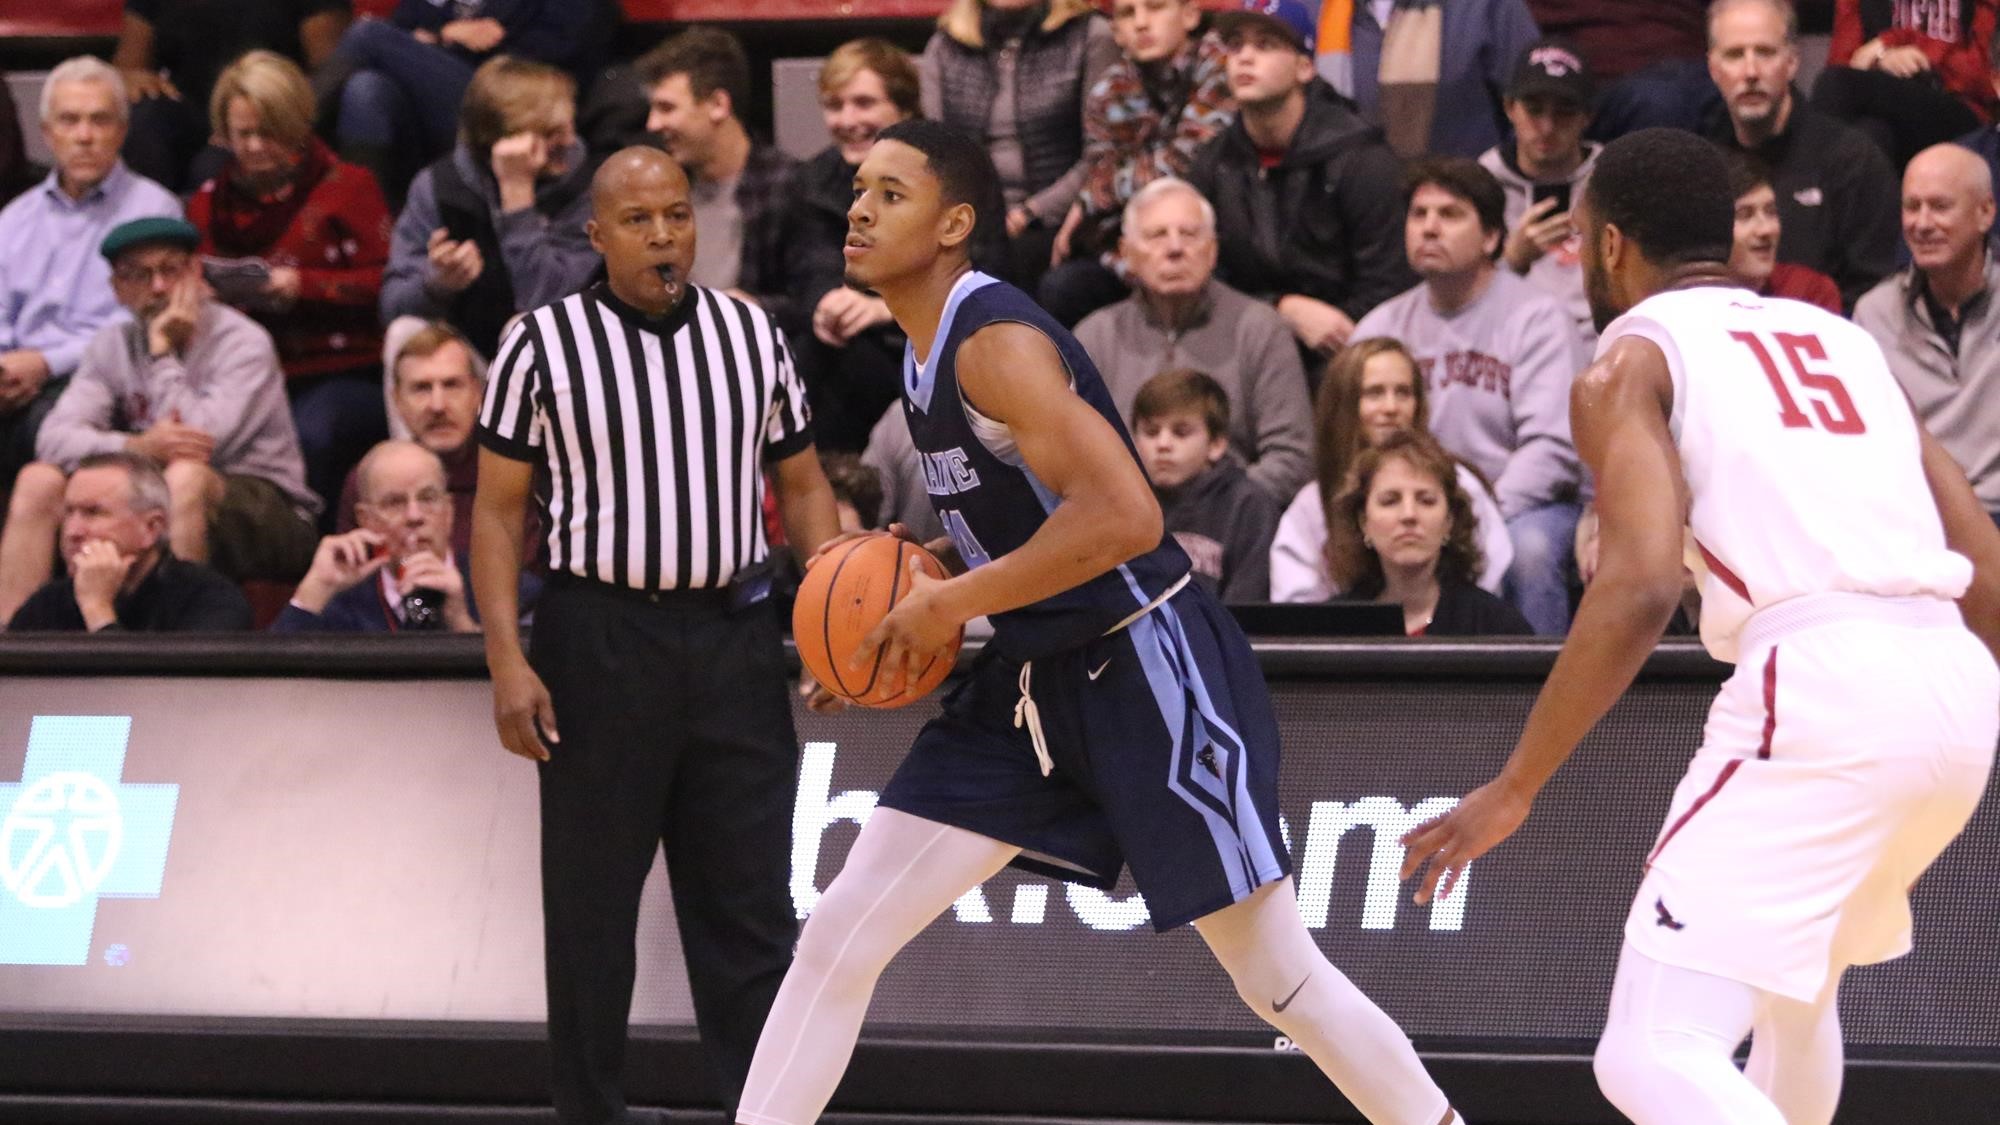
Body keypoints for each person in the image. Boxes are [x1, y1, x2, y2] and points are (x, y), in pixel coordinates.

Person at [733, 116, 1466, 1125]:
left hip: (1146, 663)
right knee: (838, 934)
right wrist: (895, 601)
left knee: (1277, 980)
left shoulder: (994, 343)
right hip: (1032, 677)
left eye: (890, 195)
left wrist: (949, 601)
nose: (858, 209)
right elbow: (1020, 521)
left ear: (953, 224)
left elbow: (1125, 517)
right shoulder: (917, 355)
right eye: (859, 189)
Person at [1400, 127, 2000, 1125]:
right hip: (1952, 683)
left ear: (1608, 245)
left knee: (1649, 1049)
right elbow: (1980, 557)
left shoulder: (1626, 362)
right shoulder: (1846, 340)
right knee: (1794, 997)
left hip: (1818, 682)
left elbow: (1637, 586)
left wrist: (1515, 786)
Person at [472, 146, 842, 1125]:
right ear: (596, 234)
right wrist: (506, 658)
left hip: (735, 639)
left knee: (751, 912)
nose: (663, 236)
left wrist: (832, 622)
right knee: (591, 914)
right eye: (638, 220)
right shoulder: (538, 345)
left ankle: (763, 1114)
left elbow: (804, 484)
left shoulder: (750, 333)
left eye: (676, 214)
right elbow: (498, 514)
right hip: (599, 638)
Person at [0, 217, 318, 623]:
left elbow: (201, 441)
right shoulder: (111, 345)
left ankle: (177, 642)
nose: (159, 287)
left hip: (267, 505)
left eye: (171, 270)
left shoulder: (242, 342)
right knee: (38, 480)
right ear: (117, 288)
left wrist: (162, 354)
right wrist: (135, 447)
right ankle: (13, 643)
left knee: (184, 476)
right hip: (150, 487)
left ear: (196, 273)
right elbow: (53, 438)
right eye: (139, 275)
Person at [1351, 158, 1587, 635]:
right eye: (1419, 214)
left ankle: (1538, 679)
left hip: (1523, 505)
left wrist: (1473, 514)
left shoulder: (1538, 318)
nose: (1429, 228)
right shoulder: (1380, 327)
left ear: (1492, 238)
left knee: (1530, 549)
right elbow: (1350, 439)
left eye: (1450, 214)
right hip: (1414, 503)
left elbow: (1552, 448)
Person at [189, 50, 394, 531]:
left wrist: (304, 285)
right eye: (243, 134)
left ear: (297, 125)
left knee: (313, 433)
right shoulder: (208, 202)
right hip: (243, 373)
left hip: (340, 368)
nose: (255, 146)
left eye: (270, 133)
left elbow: (387, 283)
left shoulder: (349, 187)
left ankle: (312, 548)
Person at [1188, 0, 1411, 360]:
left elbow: (1390, 283)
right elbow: (1203, 277)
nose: (1245, 58)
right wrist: (1279, 309)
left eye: (1265, 45)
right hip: (1247, 343)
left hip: (1352, 347)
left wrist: (1334, 330)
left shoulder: (1359, 158)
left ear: (1305, 67)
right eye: (1236, 45)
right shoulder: (1214, 162)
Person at [0, 58, 180, 503]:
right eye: (69, 121)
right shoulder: (14, 218)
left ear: (122, 130)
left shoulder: (153, 210)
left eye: (99, 120)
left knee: (41, 426)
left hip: (104, 379)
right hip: (16, 374)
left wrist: (46, 363)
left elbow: (144, 323)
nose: (84, 136)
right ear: (47, 133)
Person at [1073, 177, 1313, 502]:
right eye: (1157, 235)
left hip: (1235, 522)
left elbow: (1293, 458)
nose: (1175, 248)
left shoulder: (1259, 328)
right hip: (1125, 522)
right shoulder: (1095, 337)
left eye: (1189, 234)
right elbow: (1071, 458)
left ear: (1212, 251)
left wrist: (1215, 510)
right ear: (1127, 253)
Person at [381, 55, 598, 359]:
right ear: (501, 141)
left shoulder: (586, 186)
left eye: (569, 125)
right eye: (552, 134)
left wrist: (517, 197)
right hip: (465, 359)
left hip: (566, 358)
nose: (570, 141)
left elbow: (546, 302)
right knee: (403, 332)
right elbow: (391, 308)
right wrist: (436, 284)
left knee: (522, 328)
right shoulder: (438, 186)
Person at [1271, 337, 1513, 602]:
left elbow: (1487, 581)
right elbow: (1297, 610)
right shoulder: (1310, 506)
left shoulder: (1459, 482)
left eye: (1403, 393)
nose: (1391, 408)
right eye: (1374, 393)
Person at [1040, 0, 1235, 327]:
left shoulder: (1220, 68)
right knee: (1062, 286)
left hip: (1213, 240)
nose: (1141, 23)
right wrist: (1132, 260)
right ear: (1115, 30)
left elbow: (1187, 163)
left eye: (1155, 7)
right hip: (1135, 247)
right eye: (1128, 13)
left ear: (1189, 15)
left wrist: (1093, 195)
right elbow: (1101, 175)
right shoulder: (1109, 90)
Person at [1701, 0, 1900, 311]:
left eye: (1765, 53)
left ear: (1793, 61)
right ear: (1713, 68)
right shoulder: (1700, 166)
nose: (1751, 72)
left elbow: (1876, 298)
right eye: (1735, 55)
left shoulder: (1853, 161)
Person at [921, 0, 1120, 292]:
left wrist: (1030, 212)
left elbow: (1102, 154)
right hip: (974, 220)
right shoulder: (944, 46)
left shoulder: (1090, 35)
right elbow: (934, 151)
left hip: (1060, 219)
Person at [787, 39, 921, 453]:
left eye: (864, 103)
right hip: (853, 342)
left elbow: (985, 273)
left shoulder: (952, 171)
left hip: (927, 340)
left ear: (904, 108)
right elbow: (810, 264)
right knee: (812, 348)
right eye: (834, 105)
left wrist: (885, 310)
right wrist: (826, 302)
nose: (847, 120)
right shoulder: (815, 178)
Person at [1854, 144, 2000, 521]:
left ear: (1985, 212)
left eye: (1939, 206)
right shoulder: (1876, 313)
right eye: (1911, 207)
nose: (1921, 223)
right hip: (1921, 521)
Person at [332, 0, 604, 198]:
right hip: (433, 104)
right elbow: (404, 26)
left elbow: (545, 61)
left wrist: (438, 43)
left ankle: (304, 125)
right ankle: (369, 232)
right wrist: (446, 34)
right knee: (366, 91)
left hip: (508, 108)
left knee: (367, 34)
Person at [640, 27, 803, 324]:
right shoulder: (658, 190)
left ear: (718, 105)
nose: (653, 124)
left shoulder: (788, 184)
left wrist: (751, 307)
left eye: (666, 108)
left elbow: (811, 302)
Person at [113, 0, 349, 193]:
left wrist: (262, 120)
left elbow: (330, 73)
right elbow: (128, 67)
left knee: (211, 168)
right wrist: (131, 78)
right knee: (145, 119)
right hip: (189, 111)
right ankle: (145, 226)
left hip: (267, 115)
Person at [6, 451, 252, 632]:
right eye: (69, 512)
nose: (72, 531)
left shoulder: (210, 600)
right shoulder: (48, 602)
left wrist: (97, 609)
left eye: (93, 513)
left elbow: (154, 688)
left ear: (151, 528)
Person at [1327, 431, 1531, 636]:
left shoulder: (1497, 626)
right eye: (1390, 501)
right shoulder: (1332, 628)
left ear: (1449, 521)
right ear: (1364, 522)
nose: (1409, 515)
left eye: (1426, 501)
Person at [274, 440, 482, 633]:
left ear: (448, 512)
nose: (414, 516)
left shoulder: (493, 584)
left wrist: (460, 623)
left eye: (428, 499)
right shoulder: (342, 601)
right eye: (395, 502)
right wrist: (315, 589)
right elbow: (276, 661)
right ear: (366, 520)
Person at [1479, 38, 1601, 350]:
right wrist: (1512, 261)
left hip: (1602, 343)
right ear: (1510, 108)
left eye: (1564, 112)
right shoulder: (1481, 183)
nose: (1547, 127)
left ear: (1587, 117)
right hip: (1508, 340)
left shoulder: (1612, 177)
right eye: (1534, 110)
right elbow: (1463, 303)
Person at [1314, 0, 1542, 158]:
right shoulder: (1314, 9)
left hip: (1467, 200)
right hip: (1348, 203)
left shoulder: (1488, 6)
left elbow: (1535, 110)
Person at [1132, 368, 1278, 603]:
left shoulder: (1248, 505)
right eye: (1151, 432)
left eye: (1181, 432)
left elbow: (1249, 602)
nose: (1163, 444)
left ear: (1216, 445)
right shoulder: (1124, 503)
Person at [1813, 0, 1997, 171]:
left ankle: (1813, 184)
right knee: (1872, 133)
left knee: (1837, 84)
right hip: (1883, 102)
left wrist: (1900, 43)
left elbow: (1985, 75)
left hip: (1958, 109)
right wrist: (1882, 59)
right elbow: (1844, 61)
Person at [1725, 153, 1841, 314]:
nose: (1766, 229)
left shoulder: (1809, 292)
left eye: (1771, 211)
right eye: (1744, 215)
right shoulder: (1690, 298)